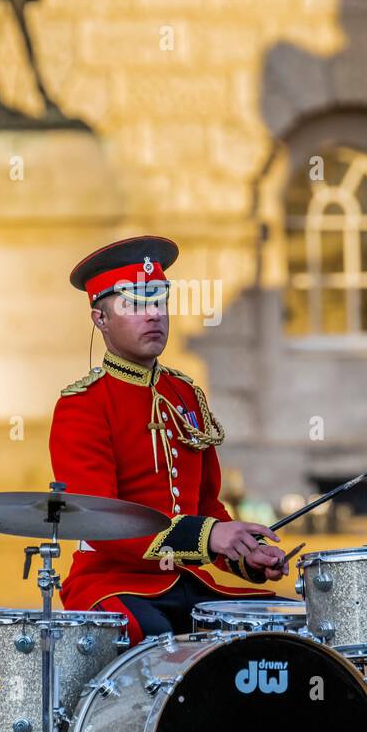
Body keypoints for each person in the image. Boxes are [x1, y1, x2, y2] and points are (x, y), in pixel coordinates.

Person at [48, 236, 286, 643]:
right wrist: (210, 535)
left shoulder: (186, 395)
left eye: (159, 301)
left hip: (184, 581)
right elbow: (102, 524)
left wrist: (245, 553)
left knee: (272, 630)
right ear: (99, 319)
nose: (154, 314)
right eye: (135, 305)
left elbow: (208, 505)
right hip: (111, 584)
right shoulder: (83, 406)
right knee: (157, 639)